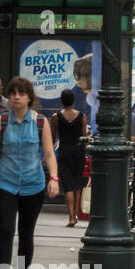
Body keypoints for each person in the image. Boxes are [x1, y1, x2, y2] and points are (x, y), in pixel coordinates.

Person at [0, 78, 60, 269]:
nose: (16, 97)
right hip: (5, 181)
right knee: (5, 229)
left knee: (26, 232)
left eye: (21, 93)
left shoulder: (40, 122)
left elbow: (49, 153)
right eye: (13, 93)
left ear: (29, 97)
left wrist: (54, 178)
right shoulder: (2, 121)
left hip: (33, 184)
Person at [54, 89, 88, 228]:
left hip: (64, 151)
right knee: (77, 184)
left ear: (62, 101)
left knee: (68, 185)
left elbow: (52, 136)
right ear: (73, 100)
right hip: (78, 151)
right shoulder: (82, 116)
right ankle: (76, 214)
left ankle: (71, 217)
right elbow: (84, 136)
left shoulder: (56, 117)